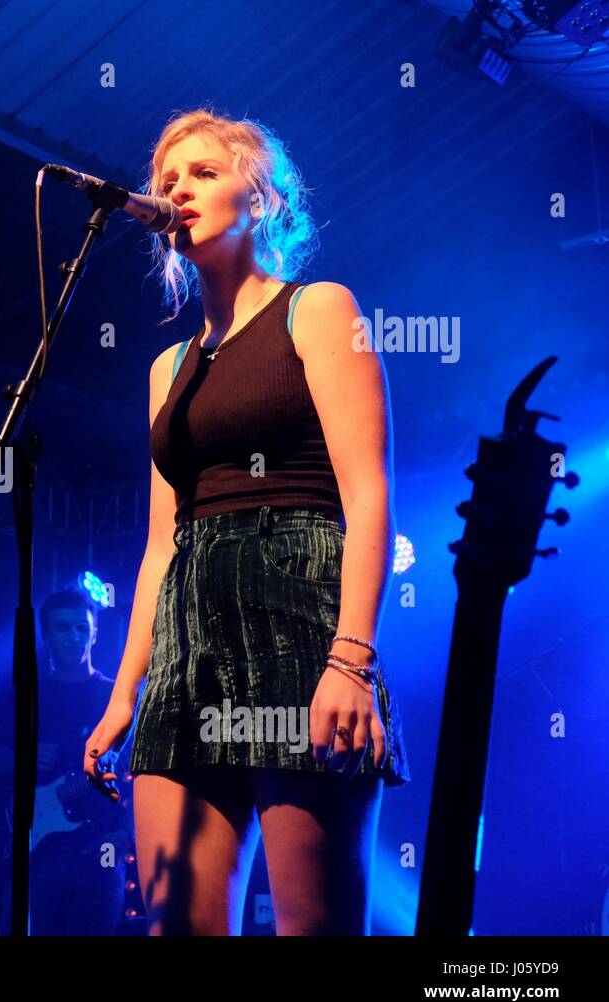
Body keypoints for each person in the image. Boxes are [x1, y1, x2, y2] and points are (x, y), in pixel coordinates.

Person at [83, 108, 409, 936]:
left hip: (299, 620)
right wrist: (125, 696)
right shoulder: (168, 367)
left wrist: (352, 660)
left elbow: (368, 495)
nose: (175, 192)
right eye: (166, 182)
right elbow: (160, 547)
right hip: (186, 643)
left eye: (200, 173)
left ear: (258, 198)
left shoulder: (320, 309)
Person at [0, 587, 131, 935]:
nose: (74, 637)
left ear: (95, 633)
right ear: (46, 634)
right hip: (36, 853)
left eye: (82, 627)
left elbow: (138, 770)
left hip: (96, 850)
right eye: (63, 628)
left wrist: (126, 833)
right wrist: (22, 758)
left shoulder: (115, 699)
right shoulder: (23, 696)